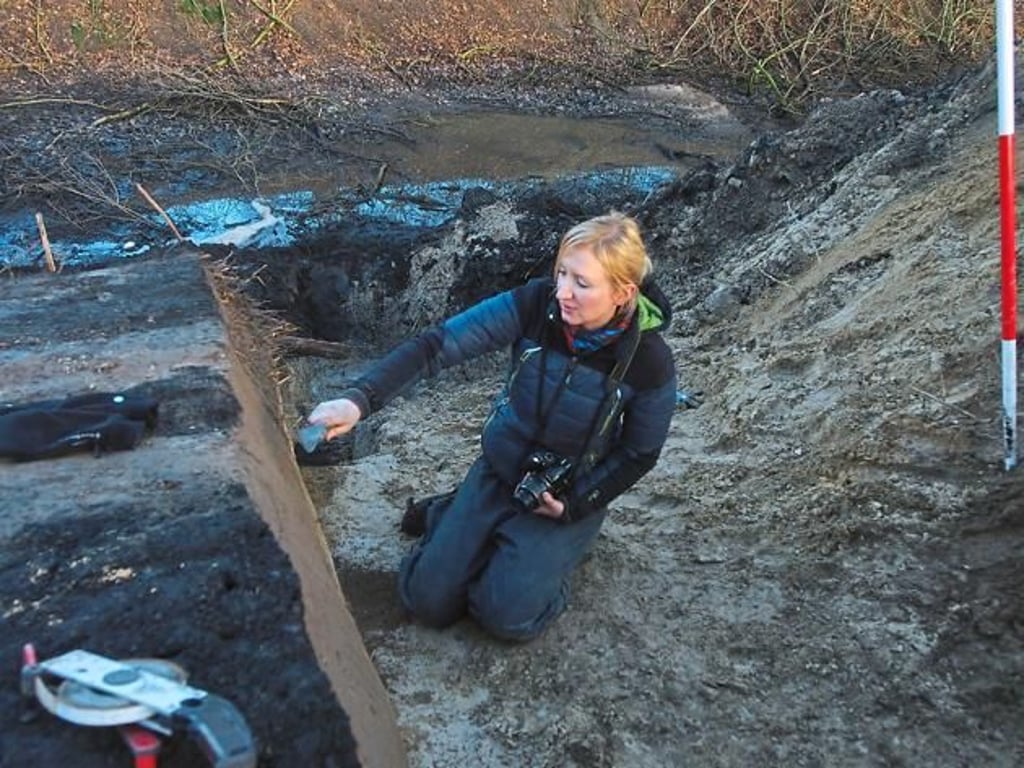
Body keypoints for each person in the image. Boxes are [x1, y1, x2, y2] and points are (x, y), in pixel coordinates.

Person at [308, 211, 678, 641]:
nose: (563, 292)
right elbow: (437, 346)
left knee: (505, 617)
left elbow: (640, 452)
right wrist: (358, 400)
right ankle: (452, 512)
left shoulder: (650, 362)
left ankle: (556, 547)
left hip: (565, 494)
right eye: (561, 274)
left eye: (581, 282)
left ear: (622, 292)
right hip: (501, 468)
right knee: (425, 600)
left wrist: (576, 502)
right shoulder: (535, 305)